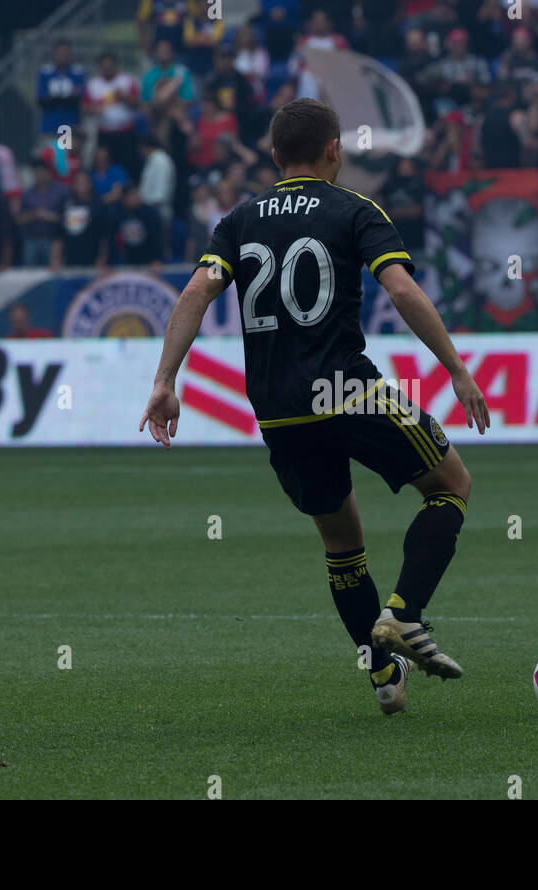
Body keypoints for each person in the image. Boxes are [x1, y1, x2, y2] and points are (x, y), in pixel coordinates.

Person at [139, 99, 491, 714]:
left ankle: (383, 676)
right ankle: (405, 615)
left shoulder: (239, 219)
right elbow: (402, 287)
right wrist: (457, 370)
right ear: (334, 149)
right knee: (451, 484)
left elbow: (197, 288)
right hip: (347, 389)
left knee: (342, 545)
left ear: (275, 157)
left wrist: (166, 380)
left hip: (276, 408)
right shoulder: (356, 210)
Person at [17, 158, 69, 267]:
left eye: (41, 172)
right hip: (31, 240)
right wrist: (33, 215)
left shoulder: (62, 192)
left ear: (48, 173)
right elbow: (19, 220)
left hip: (53, 241)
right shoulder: (27, 194)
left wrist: (48, 216)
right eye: (36, 173)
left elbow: (69, 218)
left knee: (52, 274)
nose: (39, 175)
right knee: (29, 275)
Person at [36, 39, 85, 137]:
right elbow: (41, 99)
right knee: (50, 152)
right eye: (60, 54)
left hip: (70, 125)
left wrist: (55, 97)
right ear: (54, 54)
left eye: (65, 54)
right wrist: (66, 97)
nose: (62, 57)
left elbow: (80, 98)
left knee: (65, 151)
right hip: (50, 125)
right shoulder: (45, 72)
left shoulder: (77, 72)